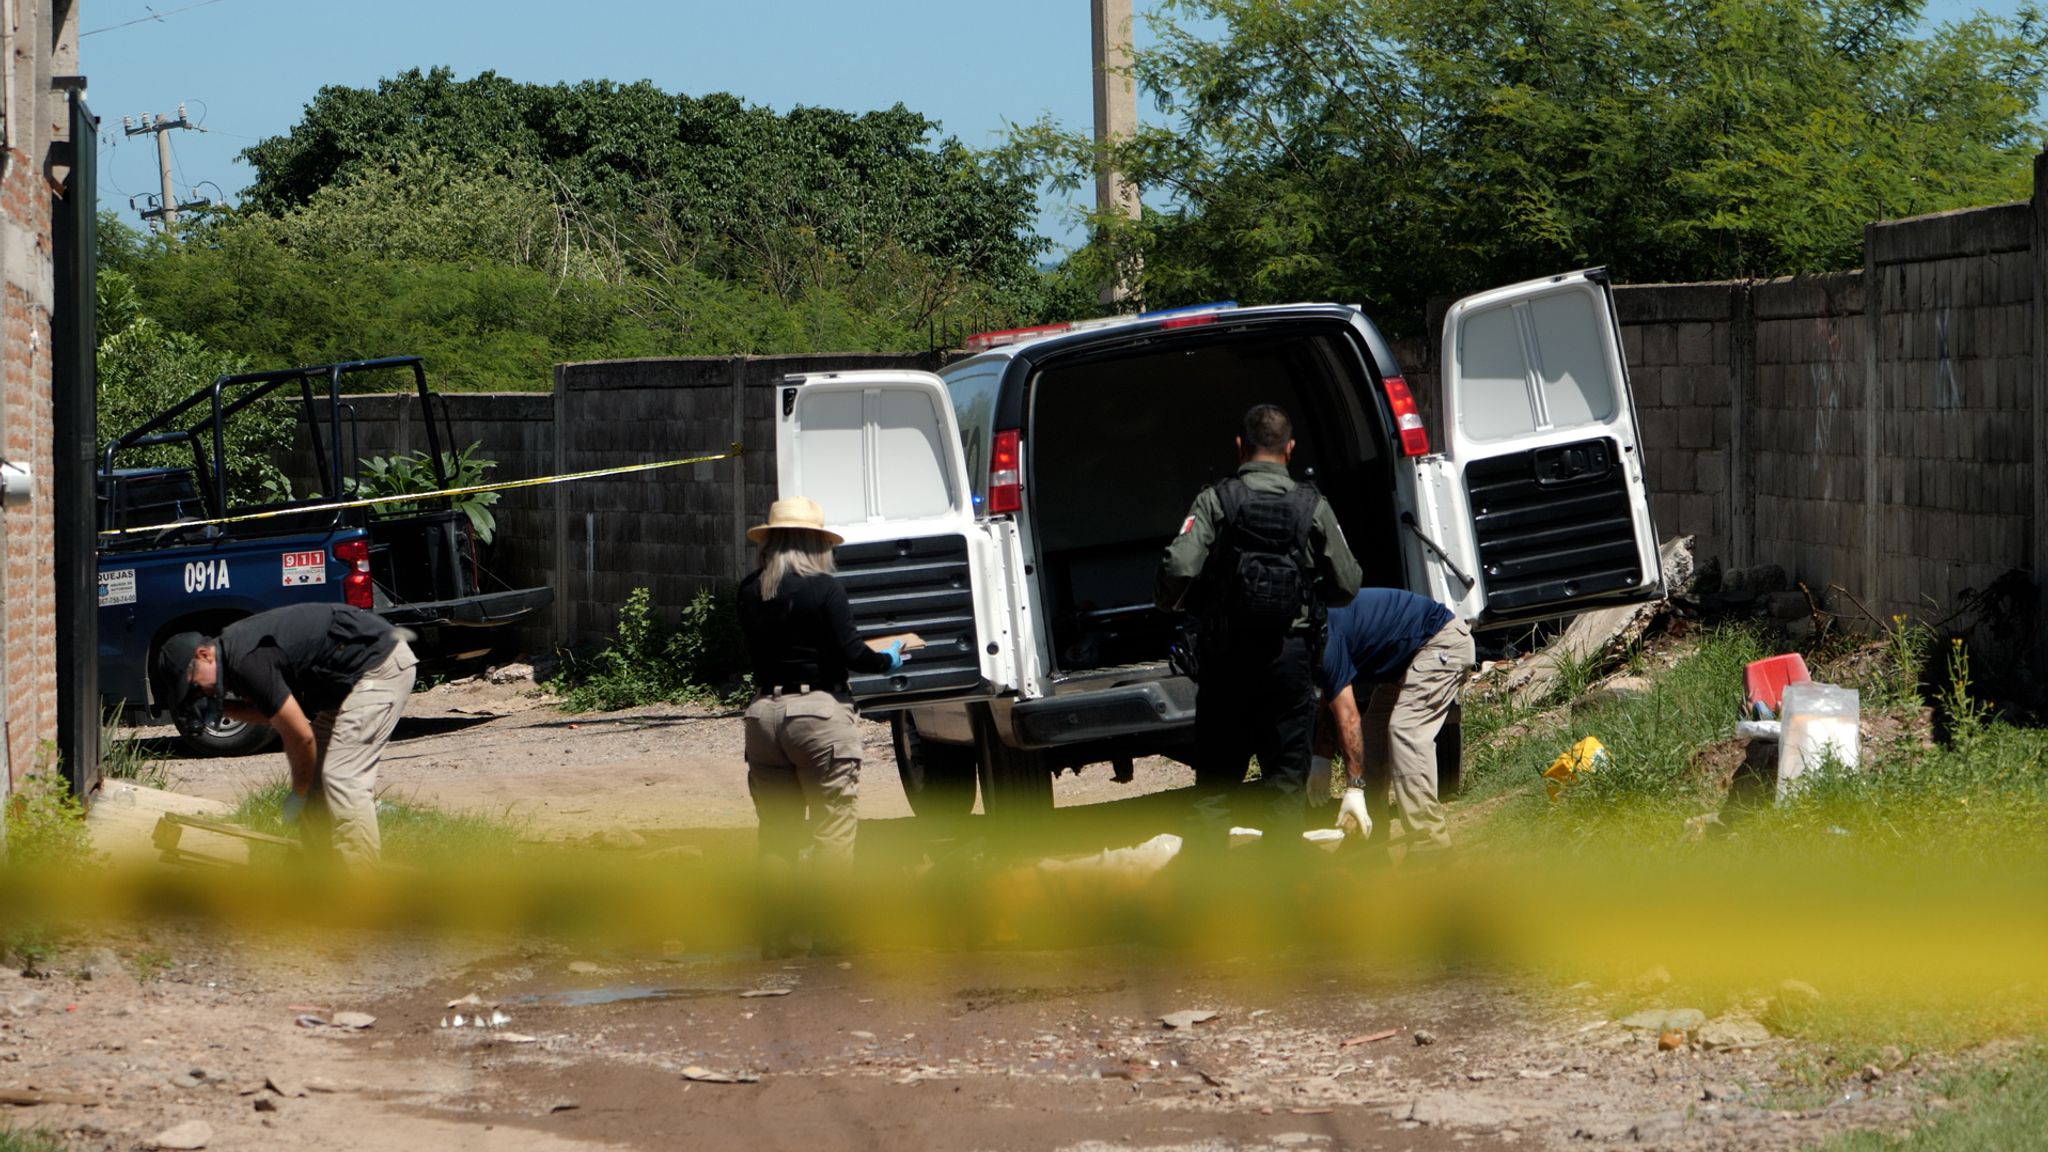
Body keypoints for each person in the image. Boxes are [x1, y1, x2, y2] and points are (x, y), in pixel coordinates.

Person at [1156, 404, 1361, 838]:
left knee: (1215, 784)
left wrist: (1177, 604)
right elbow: (1348, 581)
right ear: (1290, 448)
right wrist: (1310, 597)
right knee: (1285, 784)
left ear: (1239, 446)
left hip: (1227, 657)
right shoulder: (1313, 504)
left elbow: (1179, 568)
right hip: (1289, 658)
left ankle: (1209, 886)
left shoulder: (1215, 499)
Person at [736, 496, 907, 954]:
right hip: (817, 714)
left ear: (770, 541)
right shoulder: (825, 589)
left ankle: (776, 934)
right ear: (817, 543)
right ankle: (830, 932)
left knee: (777, 832)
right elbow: (853, 654)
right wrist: (889, 657)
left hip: (762, 717)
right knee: (832, 828)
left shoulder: (749, 590)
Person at [152, 604, 418, 866]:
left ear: (204, 655)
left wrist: (298, 793)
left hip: (379, 666)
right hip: (349, 681)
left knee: (341, 778)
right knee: (317, 778)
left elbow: (301, 735)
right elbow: (277, 715)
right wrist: (229, 707)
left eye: (195, 685)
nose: (201, 692)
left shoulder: (247, 661)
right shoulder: (233, 655)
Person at [1310, 588, 1476, 859]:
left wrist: (1353, 787)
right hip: (1408, 661)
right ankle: (1371, 841)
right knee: (1372, 738)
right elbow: (1332, 693)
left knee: (1405, 732)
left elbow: (1348, 715)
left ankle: (1430, 846)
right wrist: (1321, 756)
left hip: (1441, 643)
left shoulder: (1325, 633)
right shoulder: (1317, 630)